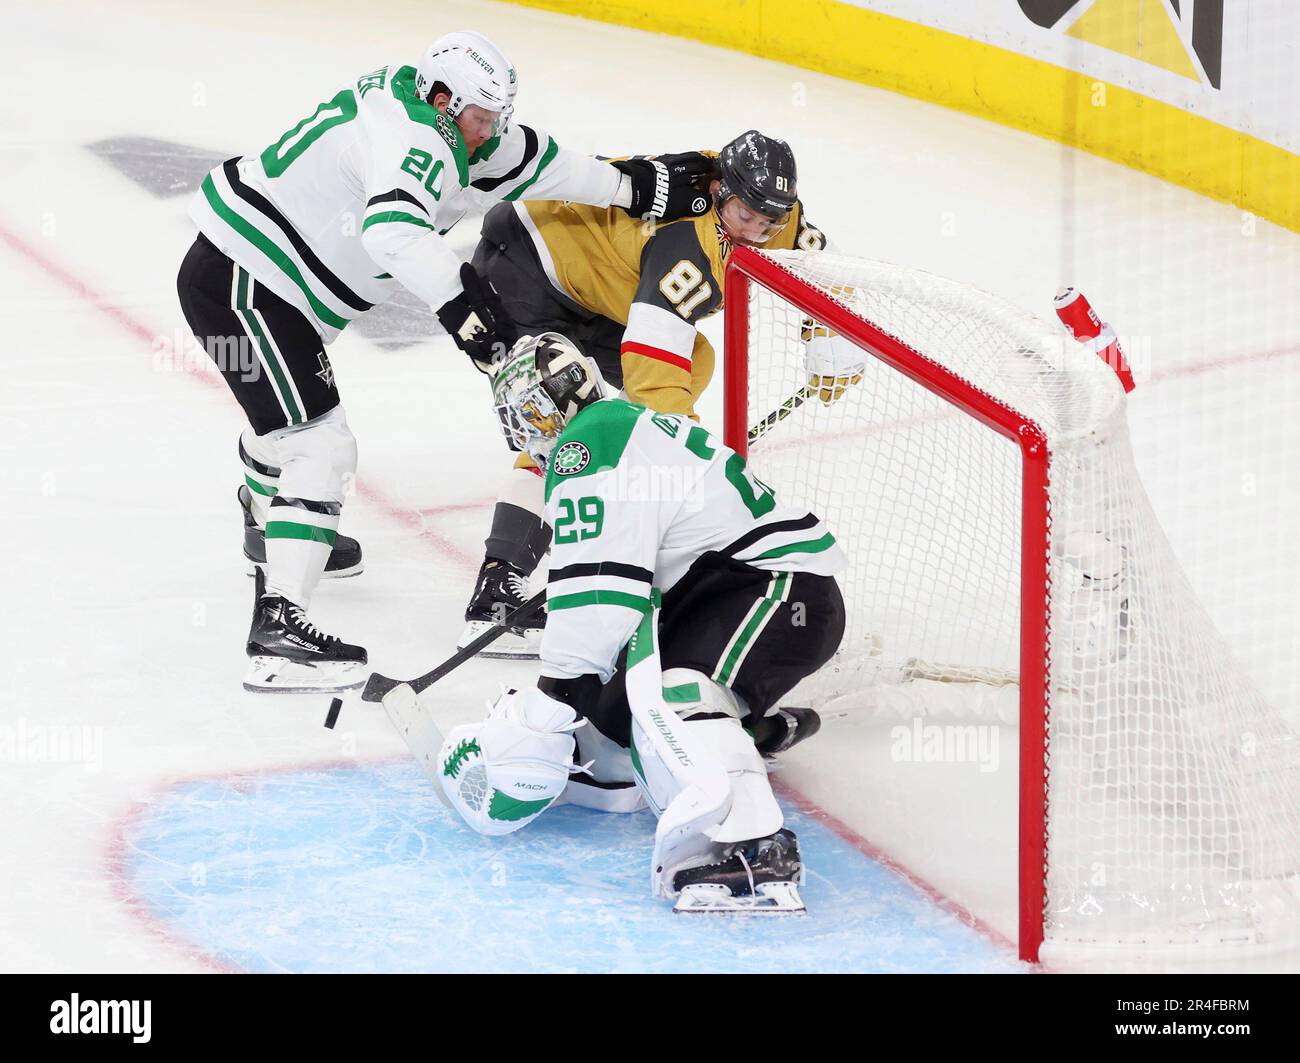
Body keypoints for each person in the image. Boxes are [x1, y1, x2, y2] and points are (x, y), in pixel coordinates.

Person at [175, 30, 714, 691]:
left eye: (495, 119)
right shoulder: (417, 139)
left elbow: (544, 164)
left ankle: (270, 531)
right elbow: (393, 233)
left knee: (280, 420)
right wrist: (479, 325)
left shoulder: (445, 117)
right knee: (319, 446)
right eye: (480, 120)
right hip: (247, 284)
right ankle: (279, 630)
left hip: (256, 278)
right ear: (441, 99)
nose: (488, 134)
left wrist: (641, 188)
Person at [435, 333, 847, 912]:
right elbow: (617, 589)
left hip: (775, 589)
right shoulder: (619, 423)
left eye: (524, 414)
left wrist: (545, 707)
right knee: (617, 719)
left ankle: (752, 846)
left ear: (544, 407)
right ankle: (750, 731)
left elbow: (599, 595)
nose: (523, 432)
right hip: (727, 591)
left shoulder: (590, 443)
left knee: (678, 695)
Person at [458, 129, 863, 656]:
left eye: (770, 223)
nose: (756, 234)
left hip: (599, 285)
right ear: (720, 188)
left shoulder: (762, 211)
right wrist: (679, 471)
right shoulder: (687, 247)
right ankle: (497, 587)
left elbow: (817, 262)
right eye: (746, 218)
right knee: (567, 423)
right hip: (522, 271)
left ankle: (611, 485)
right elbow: (655, 376)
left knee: (696, 361)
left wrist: (829, 332)